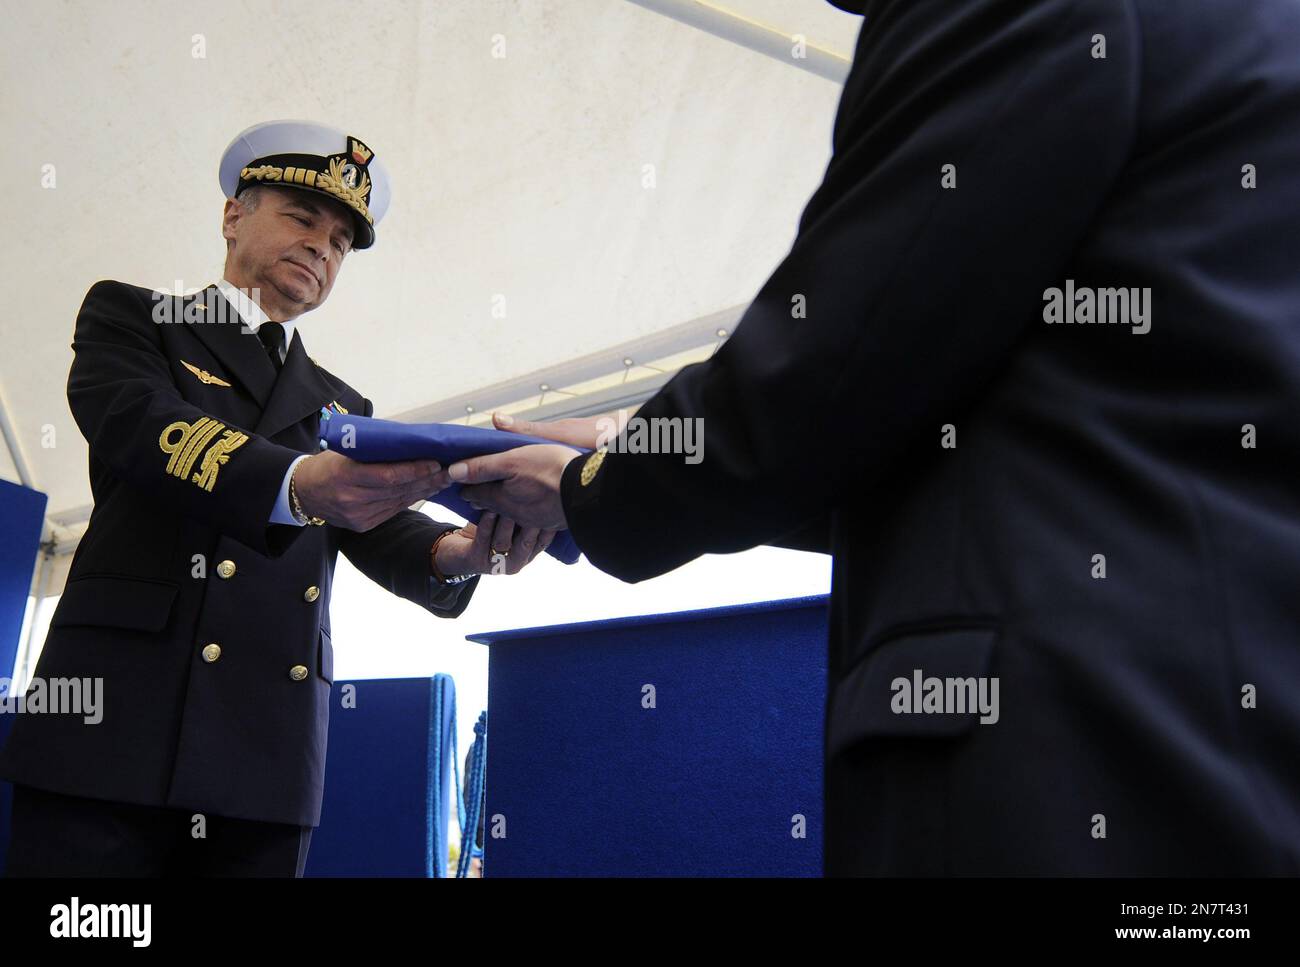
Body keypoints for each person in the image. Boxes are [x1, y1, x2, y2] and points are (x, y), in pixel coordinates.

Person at [447, 0, 1300, 874]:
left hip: (1074, 740)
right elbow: (938, 420)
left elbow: (834, 355)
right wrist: (614, 450)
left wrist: (592, 484)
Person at [0, 120, 551, 877]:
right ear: (233, 214)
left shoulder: (341, 404)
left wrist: (457, 553)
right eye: (301, 217)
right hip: (115, 725)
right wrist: (295, 482)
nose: (321, 247)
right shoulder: (139, 317)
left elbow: (373, 522)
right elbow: (137, 423)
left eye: (339, 243)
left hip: (265, 755)